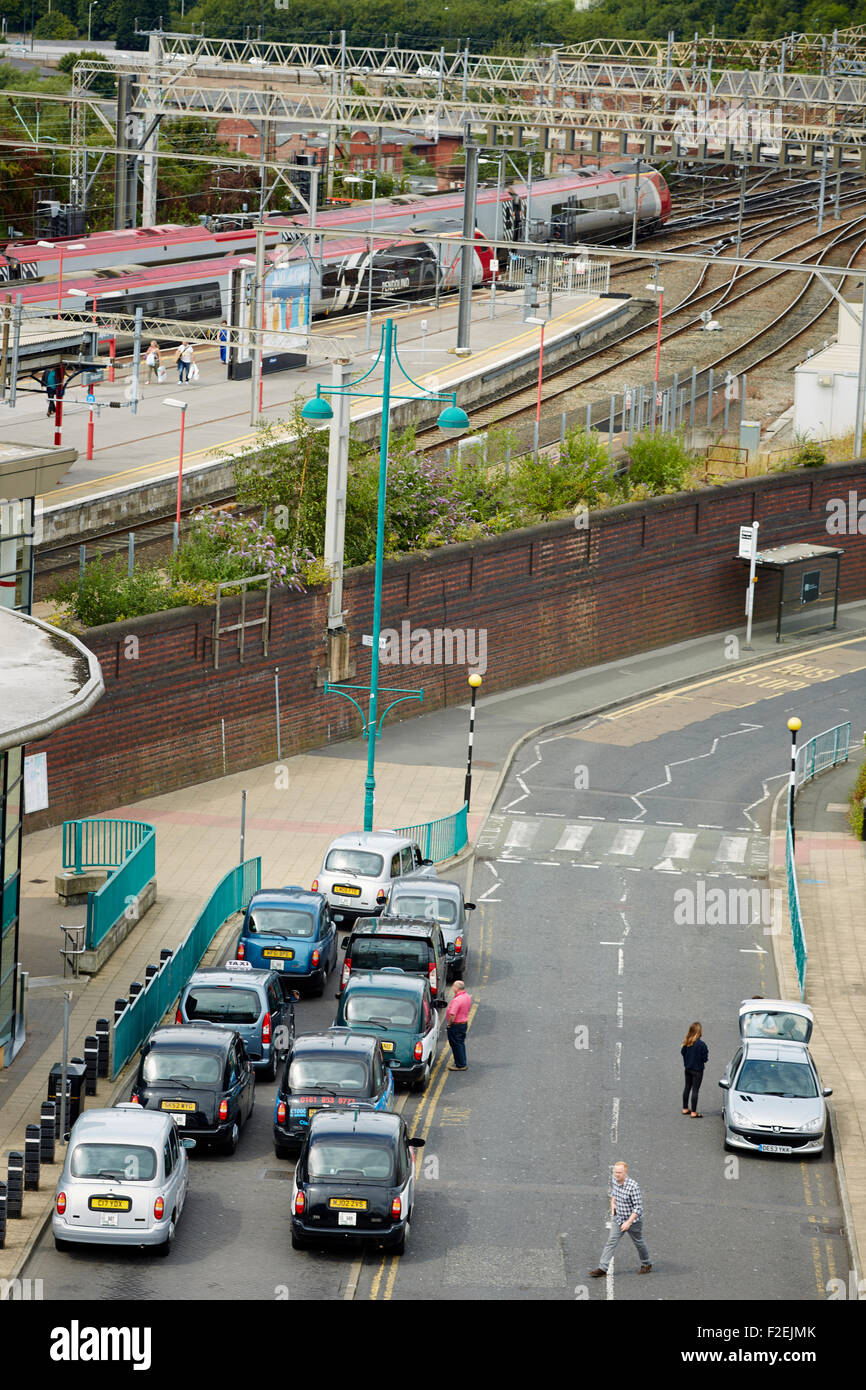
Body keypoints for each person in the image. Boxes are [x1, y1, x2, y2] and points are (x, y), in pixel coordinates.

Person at [589, 1161, 652, 1277]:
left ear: (625, 1173)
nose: (617, 1175)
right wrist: (613, 1203)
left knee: (638, 1242)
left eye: (619, 1172)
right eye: (615, 1172)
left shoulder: (633, 1186)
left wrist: (628, 1222)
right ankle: (602, 1268)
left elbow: (638, 1208)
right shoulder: (615, 1181)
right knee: (611, 1242)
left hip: (633, 1222)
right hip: (618, 1218)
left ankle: (646, 1264)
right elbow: (614, 1193)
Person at [681, 1021, 709, 1118]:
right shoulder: (702, 1045)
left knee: (687, 1087)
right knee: (695, 1090)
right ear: (699, 1031)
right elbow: (705, 1059)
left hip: (688, 1068)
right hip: (698, 1070)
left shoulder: (686, 1042)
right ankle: (693, 1112)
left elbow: (683, 1053)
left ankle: (685, 1108)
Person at [445, 980, 472, 1071]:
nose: (452, 988)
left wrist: (449, 1024)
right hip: (463, 1024)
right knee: (460, 1043)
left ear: (456, 988)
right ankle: (462, 1062)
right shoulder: (467, 997)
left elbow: (452, 1014)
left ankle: (460, 1064)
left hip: (456, 1025)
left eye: (453, 986)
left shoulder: (457, 1000)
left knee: (456, 1044)